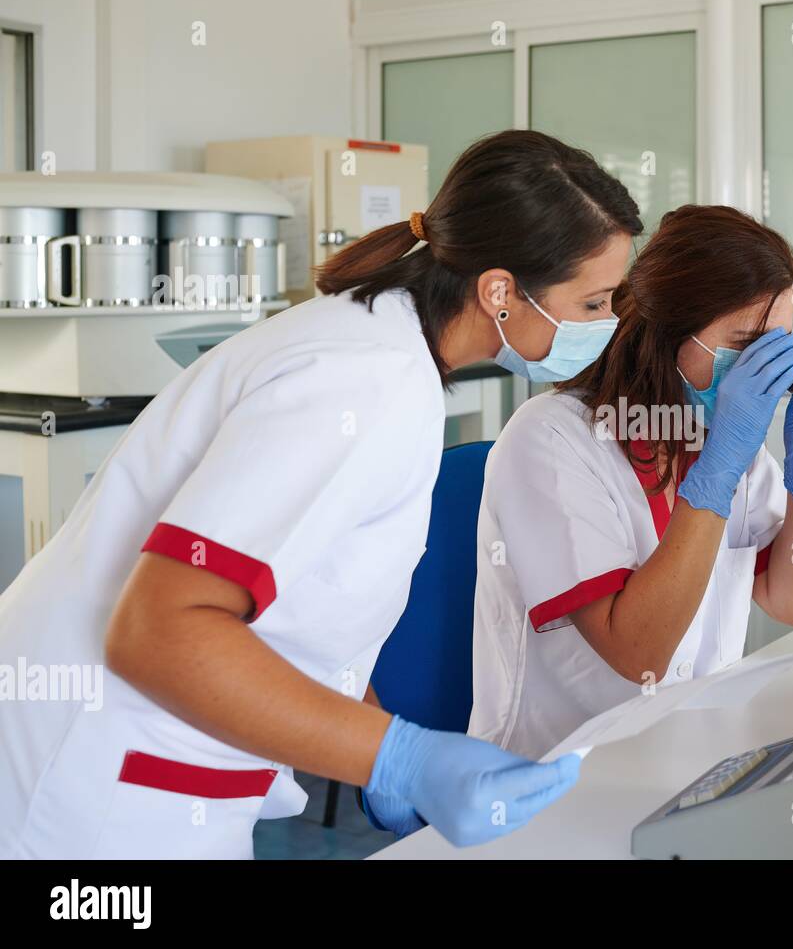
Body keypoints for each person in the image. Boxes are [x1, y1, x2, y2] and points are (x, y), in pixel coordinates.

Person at [0, 130, 642, 857]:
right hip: (89, 790)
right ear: (500, 291)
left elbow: (302, 595)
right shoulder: (367, 379)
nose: (607, 325)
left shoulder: (374, 343)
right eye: (593, 303)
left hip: (129, 756)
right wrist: (397, 756)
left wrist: (369, 732)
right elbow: (160, 629)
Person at [469, 205, 793, 759]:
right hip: (562, 773)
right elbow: (639, 655)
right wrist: (714, 480)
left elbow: (790, 600)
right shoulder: (552, 440)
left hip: (691, 751)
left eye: (779, 349)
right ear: (667, 332)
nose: (763, 374)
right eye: (745, 347)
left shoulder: (718, 436)